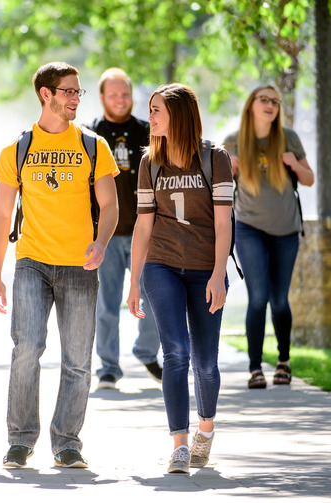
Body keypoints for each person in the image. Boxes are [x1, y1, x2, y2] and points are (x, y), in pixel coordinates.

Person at [0, 62, 119, 469]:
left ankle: (67, 443)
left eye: (78, 92)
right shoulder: (18, 148)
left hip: (80, 265)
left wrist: (101, 242)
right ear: (46, 94)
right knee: (26, 350)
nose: (76, 98)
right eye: (69, 91)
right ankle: (20, 441)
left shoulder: (94, 145)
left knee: (78, 360)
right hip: (32, 262)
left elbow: (110, 205)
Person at [126, 83, 233, 474]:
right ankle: (180, 444)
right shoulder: (149, 162)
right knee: (176, 352)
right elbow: (143, 224)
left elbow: (223, 222)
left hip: (207, 268)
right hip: (162, 265)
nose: (150, 117)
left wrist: (219, 273)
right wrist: (135, 279)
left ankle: (206, 429)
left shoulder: (214, 158)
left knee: (205, 362)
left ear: (179, 114)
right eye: (150, 110)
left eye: (157, 111)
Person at [222, 85, 314, 389]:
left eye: (275, 101)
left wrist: (295, 164)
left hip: (286, 230)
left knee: (279, 300)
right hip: (249, 228)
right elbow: (216, 186)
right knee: (258, 297)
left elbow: (309, 179)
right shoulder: (234, 142)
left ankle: (283, 362)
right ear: (251, 105)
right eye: (265, 100)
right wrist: (228, 169)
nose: (271, 105)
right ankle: (254, 368)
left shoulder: (289, 138)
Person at [87, 67, 162, 389]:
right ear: (102, 97)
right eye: (113, 94)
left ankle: (147, 352)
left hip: (144, 233)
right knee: (107, 304)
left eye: (125, 94)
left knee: (156, 298)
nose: (120, 100)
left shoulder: (150, 132)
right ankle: (108, 367)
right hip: (104, 236)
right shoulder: (88, 136)